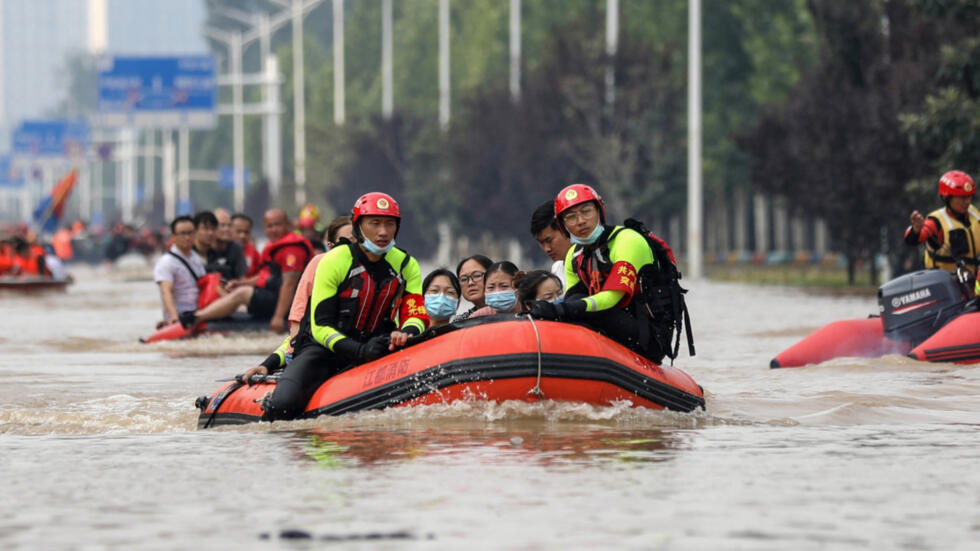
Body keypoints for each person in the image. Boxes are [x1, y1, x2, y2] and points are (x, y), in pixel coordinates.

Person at [258, 192, 429, 421]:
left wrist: (404, 334)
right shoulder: (334, 261)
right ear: (358, 226)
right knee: (283, 406)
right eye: (374, 223)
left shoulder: (407, 265)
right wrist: (359, 351)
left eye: (390, 224)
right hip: (323, 352)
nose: (383, 232)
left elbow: (416, 314)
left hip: (378, 347)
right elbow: (320, 328)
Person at [526, 184, 666, 363]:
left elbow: (611, 298)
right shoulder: (573, 256)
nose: (580, 221)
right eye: (571, 217)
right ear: (563, 226)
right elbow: (573, 298)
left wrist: (559, 309)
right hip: (610, 328)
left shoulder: (628, 241)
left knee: (582, 311)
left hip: (649, 336)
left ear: (599, 212)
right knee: (572, 310)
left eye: (586, 211)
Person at [179, 208, 313, 333]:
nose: (273, 230)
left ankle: (196, 317)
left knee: (242, 293)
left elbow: (289, 284)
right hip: (272, 295)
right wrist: (241, 283)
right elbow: (266, 276)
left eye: (278, 225)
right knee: (240, 290)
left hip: (293, 302)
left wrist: (278, 317)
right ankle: (194, 315)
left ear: (288, 225)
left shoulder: (291, 249)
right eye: (269, 226)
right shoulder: (191, 253)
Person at [906, 170, 980, 280]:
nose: (968, 201)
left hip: (972, 283)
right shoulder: (936, 221)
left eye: (970, 196)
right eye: (962, 197)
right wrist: (916, 229)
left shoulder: (975, 213)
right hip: (946, 287)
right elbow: (912, 239)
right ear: (947, 198)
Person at [153, 216, 205, 327]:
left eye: (190, 233)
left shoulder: (196, 258)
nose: (187, 237)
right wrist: (174, 317)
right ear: (173, 237)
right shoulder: (166, 262)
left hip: (200, 312)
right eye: (182, 233)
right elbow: (166, 291)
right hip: (182, 316)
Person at [530, 200, 572, 286]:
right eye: (541, 243)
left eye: (549, 240)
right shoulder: (557, 269)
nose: (546, 249)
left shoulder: (592, 261)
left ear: (566, 229)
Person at [206, 208, 247, 280]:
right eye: (222, 225)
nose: (227, 229)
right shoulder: (204, 247)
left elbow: (241, 277)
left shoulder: (236, 248)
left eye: (229, 225)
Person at [452, 254, 493, 322]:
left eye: (477, 275)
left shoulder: (510, 313)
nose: (470, 283)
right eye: (464, 279)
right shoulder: (460, 323)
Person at [231, 213, 262, 277]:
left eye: (246, 232)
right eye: (238, 231)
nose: (243, 236)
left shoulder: (253, 251)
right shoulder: (222, 248)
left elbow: (262, 273)